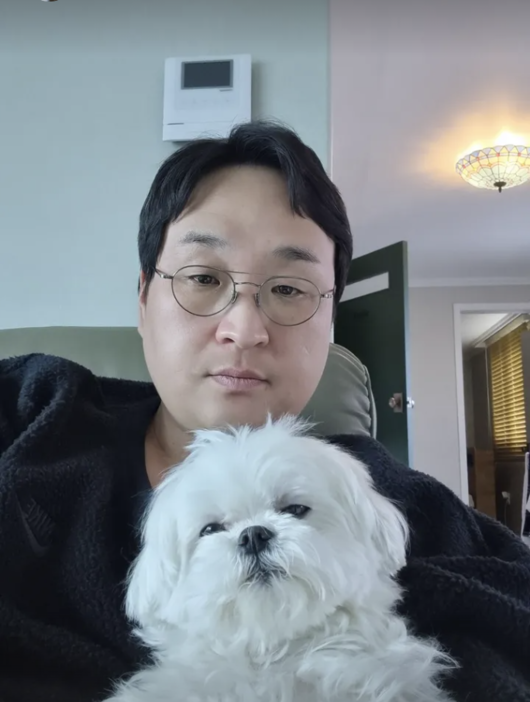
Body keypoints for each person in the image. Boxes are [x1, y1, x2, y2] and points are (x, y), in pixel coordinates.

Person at [0, 121, 528, 702]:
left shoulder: (413, 504)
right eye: (204, 277)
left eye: (289, 289)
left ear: (331, 318)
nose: (244, 329)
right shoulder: (32, 414)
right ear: (144, 300)